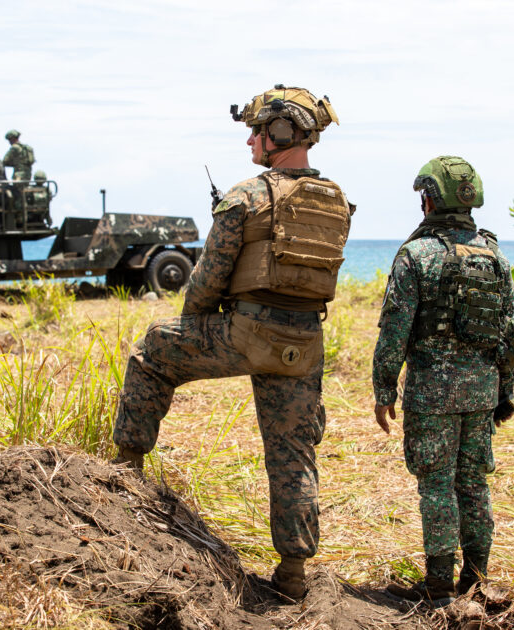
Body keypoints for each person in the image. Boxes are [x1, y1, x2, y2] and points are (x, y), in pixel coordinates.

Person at [112, 85, 351, 601]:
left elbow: (205, 283)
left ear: (281, 132)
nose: (249, 142)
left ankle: (124, 472)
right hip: (305, 345)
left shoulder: (245, 195)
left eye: (256, 131)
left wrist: (196, 323)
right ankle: (292, 574)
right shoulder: (337, 202)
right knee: (294, 454)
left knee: (153, 349)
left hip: (246, 333)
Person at [372, 156, 514, 607]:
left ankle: (438, 588)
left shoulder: (416, 254)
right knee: (474, 484)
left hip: (431, 396)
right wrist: (505, 392)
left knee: (437, 485)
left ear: (429, 199)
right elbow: (511, 332)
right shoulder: (494, 254)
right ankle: (476, 581)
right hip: (480, 394)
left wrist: (383, 390)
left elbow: (394, 329)